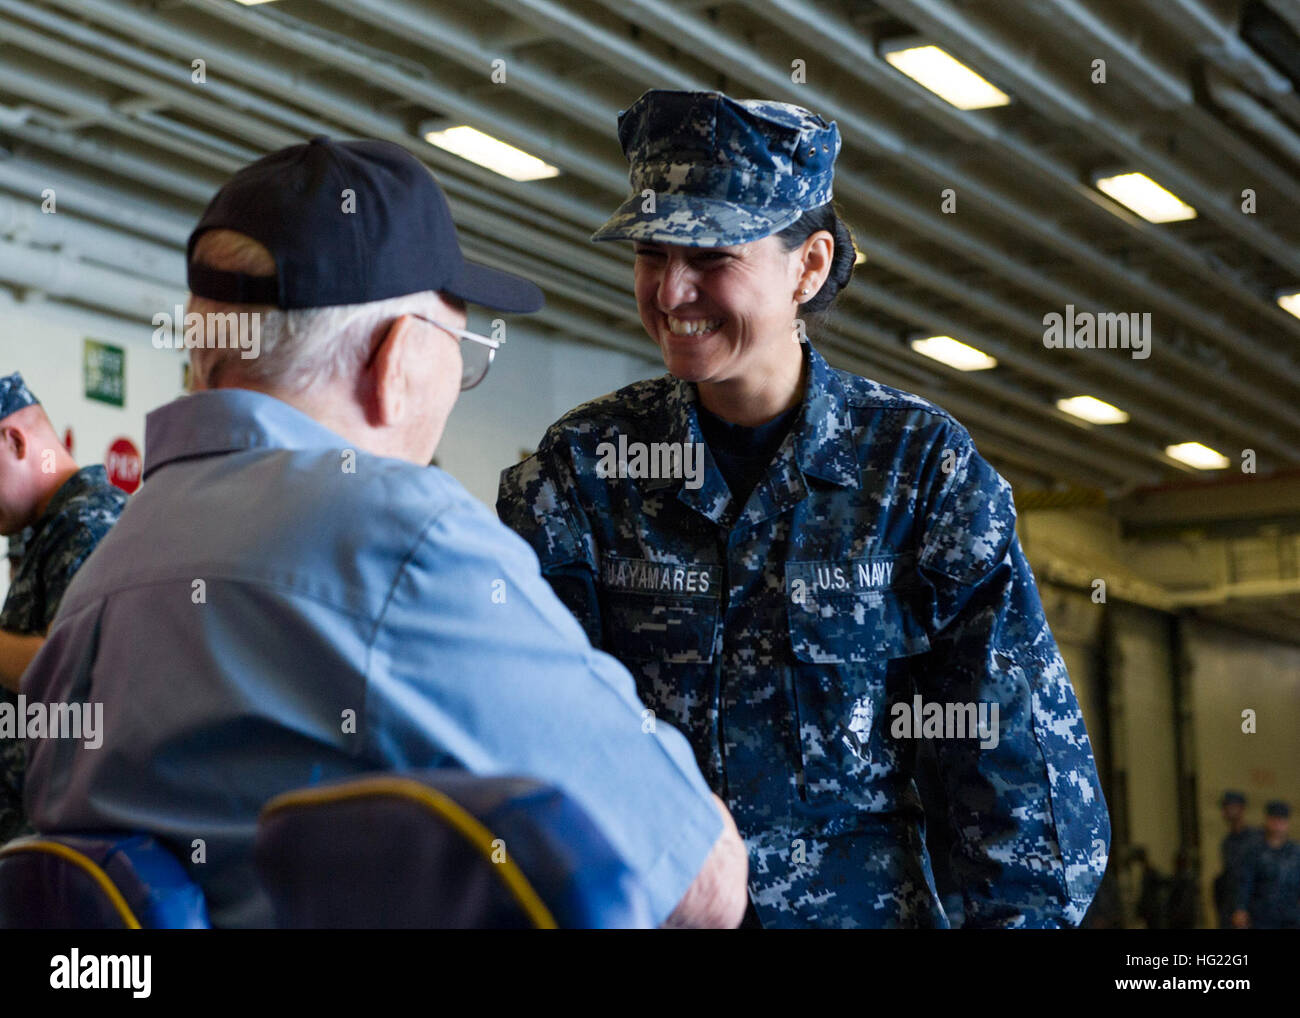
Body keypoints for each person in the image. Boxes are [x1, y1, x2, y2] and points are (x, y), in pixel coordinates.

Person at [23, 137, 748, 929]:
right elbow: (699, 882)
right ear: (394, 360)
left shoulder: (102, 577)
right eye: (461, 352)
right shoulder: (406, 542)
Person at [498, 89, 1111, 928]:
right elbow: (524, 724)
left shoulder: (917, 472)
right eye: (650, 252)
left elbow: (1014, 769)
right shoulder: (585, 467)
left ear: (809, 266)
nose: (672, 292)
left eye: (711, 256)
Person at [0, 374, 126, 842]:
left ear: (14, 441)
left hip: (53, 841)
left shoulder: (88, 521)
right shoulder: (53, 528)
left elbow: (64, 666)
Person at [1232, 800, 1300, 929]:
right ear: (1267, 820)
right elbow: (1245, 882)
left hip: (1290, 914)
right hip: (1262, 913)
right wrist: (1240, 909)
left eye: (1282, 821)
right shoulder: (1254, 851)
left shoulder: (1296, 852)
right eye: (1274, 820)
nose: (1277, 825)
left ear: (1287, 824)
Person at [1215, 790, 1262, 928]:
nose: (1226, 811)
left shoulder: (1256, 838)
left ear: (1242, 809)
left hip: (1254, 906)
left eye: (1230, 806)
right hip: (1231, 905)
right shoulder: (1227, 842)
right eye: (1224, 807)